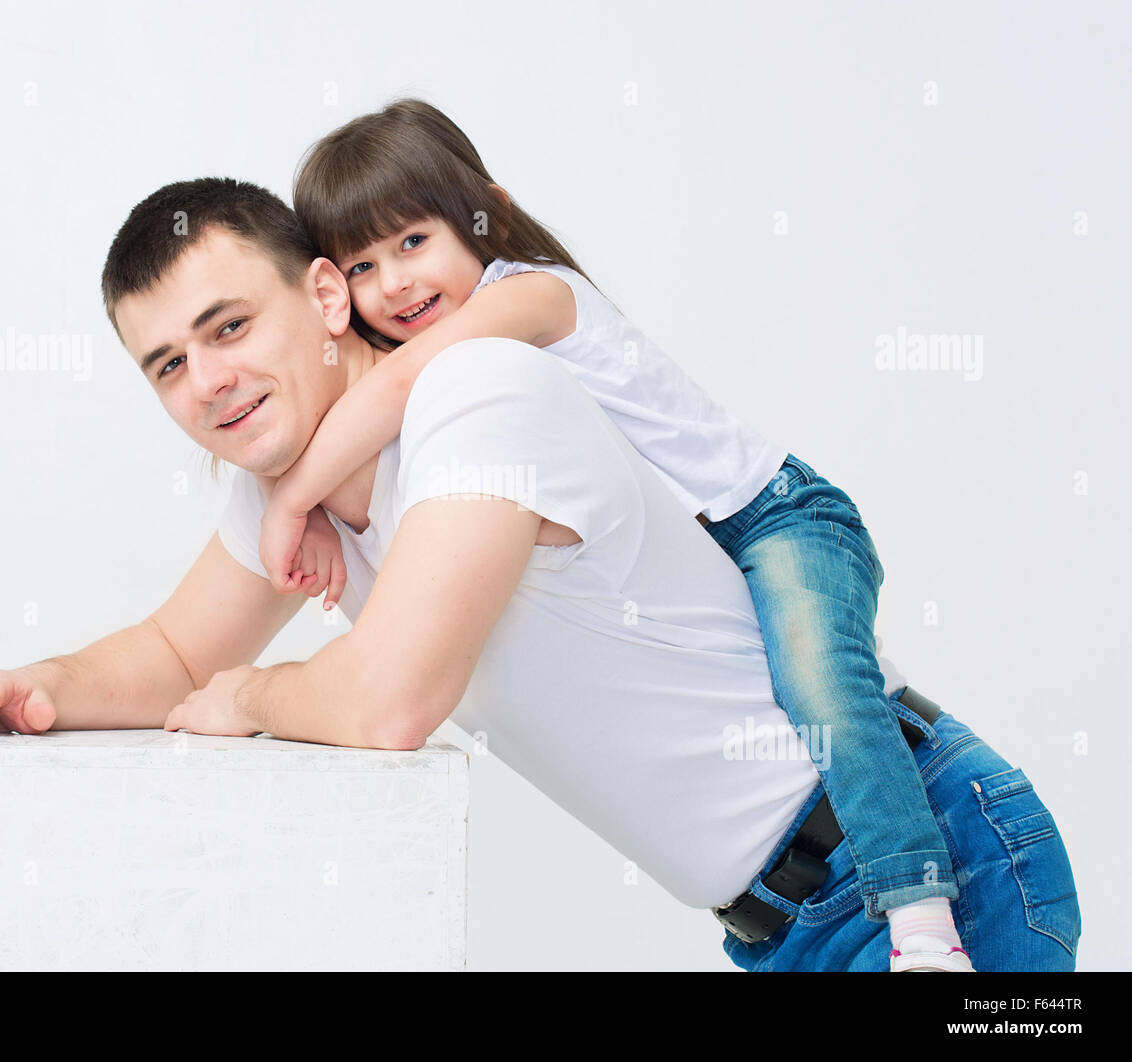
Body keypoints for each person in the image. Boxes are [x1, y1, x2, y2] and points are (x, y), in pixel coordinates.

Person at [0, 177, 1081, 971]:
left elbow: (389, 700)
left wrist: (252, 698)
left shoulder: (477, 397)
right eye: (164, 364)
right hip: (783, 925)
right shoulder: (276, 493)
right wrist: (31, 686)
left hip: (925, 862)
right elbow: (169, 657)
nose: (205, 381)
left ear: (321, 294)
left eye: (227, 326)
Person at [256, 99, 965, 969]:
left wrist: (289, 500)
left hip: (777, 514)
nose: (395, 284)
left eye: (414, 242)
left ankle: (922, 911)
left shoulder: (531, 297)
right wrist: (326, 508)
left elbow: (393, 387)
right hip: (721, 587)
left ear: (491, 213)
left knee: (821, 682)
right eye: (363, 266)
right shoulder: (445, 392)